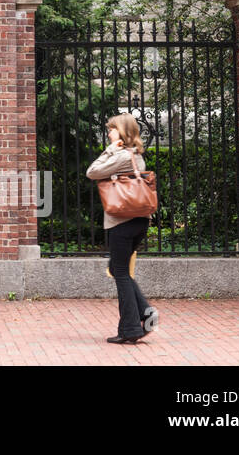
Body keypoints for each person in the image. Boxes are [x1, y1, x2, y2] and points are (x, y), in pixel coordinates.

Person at [87, 113, 159, 344]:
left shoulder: (121, 156)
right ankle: (145, 315)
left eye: (112, 129)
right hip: (139, 221)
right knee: (120, 270)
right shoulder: (136, 156)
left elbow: (92, 172)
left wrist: (110, 149)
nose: (109, 133)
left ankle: (131, 329)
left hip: (122, 221)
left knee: (120, 273)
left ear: (122, 133)